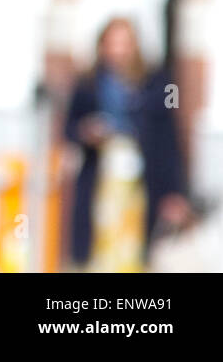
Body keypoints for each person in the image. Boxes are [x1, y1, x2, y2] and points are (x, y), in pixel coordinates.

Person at [63, 16, 192, 271]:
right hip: (101, 183)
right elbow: (69, 128)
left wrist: (175, 191)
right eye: (112, 44)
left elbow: (169, 138)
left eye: (123, 44)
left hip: (141, 186)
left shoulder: (160, 84)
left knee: (136, 254)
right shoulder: (88, 84)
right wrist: (86, 133)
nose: (118, 51)